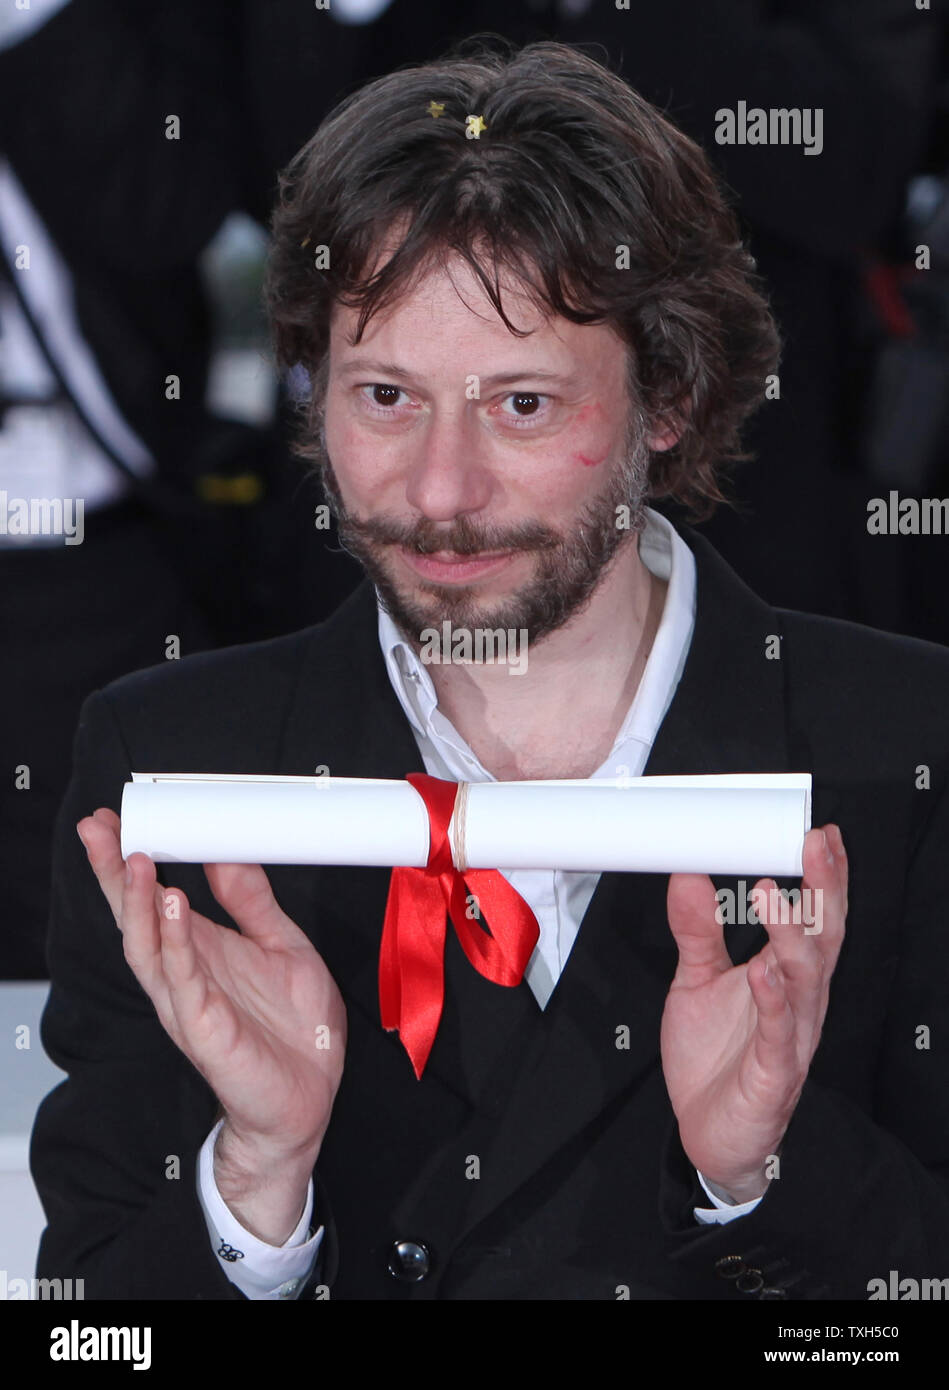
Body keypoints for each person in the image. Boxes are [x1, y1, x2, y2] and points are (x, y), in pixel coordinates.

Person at [31, 38, 949, 1301]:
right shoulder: (171, 765)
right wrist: (253, 1184)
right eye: (386, 397)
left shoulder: (907, 747)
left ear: (666, 397)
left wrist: (764, 1175)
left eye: (521, 405)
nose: (441, 492)